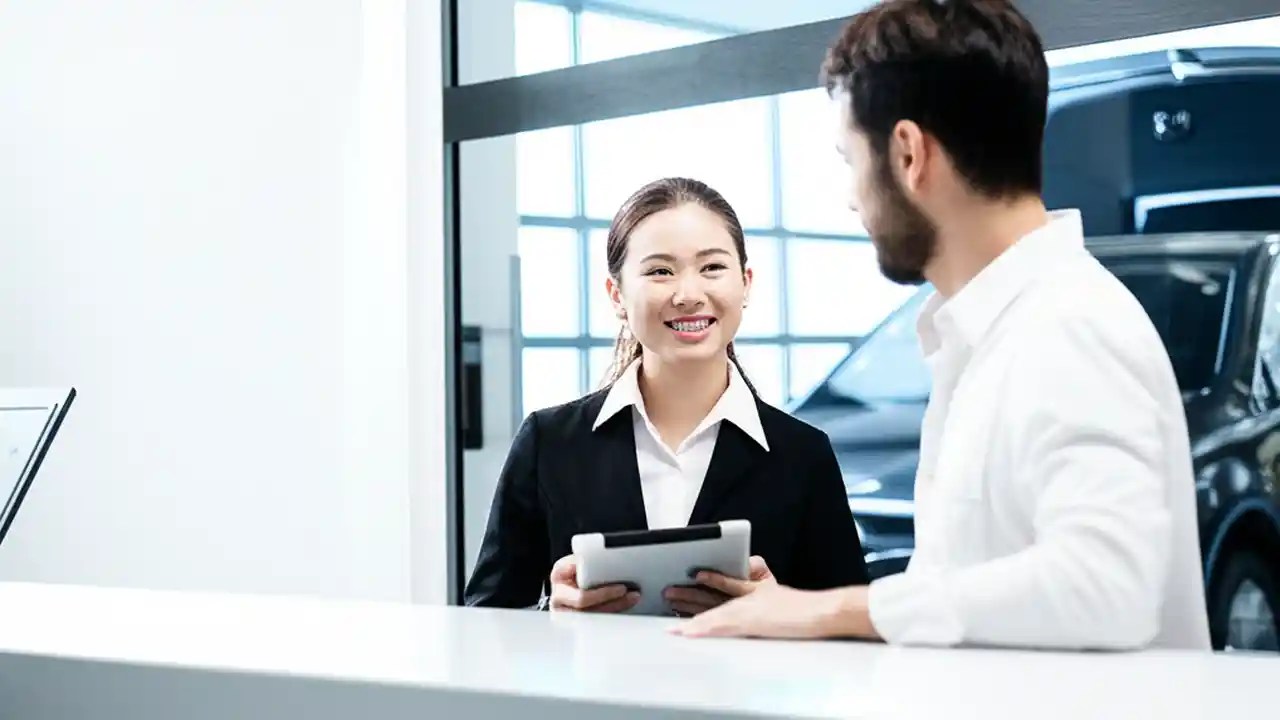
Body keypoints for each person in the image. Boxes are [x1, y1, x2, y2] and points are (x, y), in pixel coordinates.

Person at [674, 0, 1212, 650]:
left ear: (908, 154)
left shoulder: (1067, 327)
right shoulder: (1002, 330)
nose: (851, 195)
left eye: (850, 158)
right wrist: (795, 608)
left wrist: (833, 612)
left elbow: (1107, 586)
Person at [464, 177, 869, 614]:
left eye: (712, 267)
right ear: (616, 294)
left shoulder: (802, 454)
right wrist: (550, 615)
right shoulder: (551, 442)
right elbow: (484, 622)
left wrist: (784, 609)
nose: (689, 294)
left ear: (746, 284)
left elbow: (854, 639)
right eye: (660, 271)